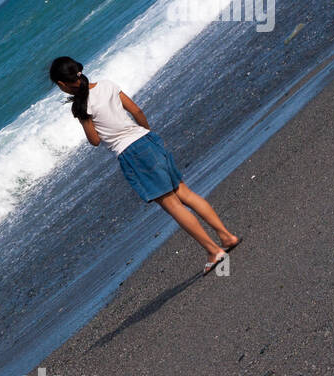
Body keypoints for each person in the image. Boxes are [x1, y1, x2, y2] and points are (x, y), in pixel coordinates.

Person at [48, 56, 241, 276]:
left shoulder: (81, 106)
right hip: (147, 139)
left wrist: (83, 117)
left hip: (131, 153)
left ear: (63, 84)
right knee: (184, 192)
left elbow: (94, 140)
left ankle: (213, 250)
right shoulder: (107, 84)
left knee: (173, 205)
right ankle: (226, 236)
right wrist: (147, 133)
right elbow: (137, 111)